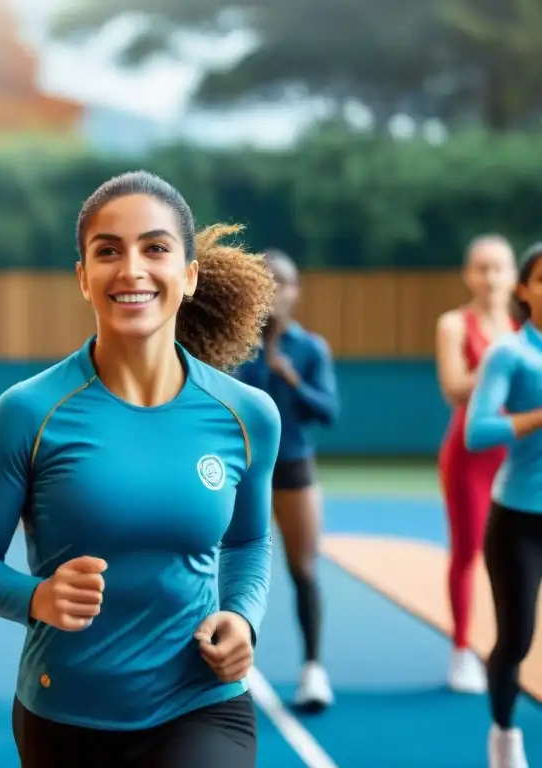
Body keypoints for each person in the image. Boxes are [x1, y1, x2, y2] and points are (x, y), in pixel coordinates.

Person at [0, 171, 280, 768]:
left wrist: (241, 617)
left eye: (155, 248)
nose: (131, 270)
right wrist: (39, 597)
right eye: (108, 251)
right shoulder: (26, 413)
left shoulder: (247, 415)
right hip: (66, 716)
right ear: (83, 277)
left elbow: (249, 540)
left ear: (190, 273)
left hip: (201, 704)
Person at [233, 249, 339, 712]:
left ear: (297, 291)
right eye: (268, 280)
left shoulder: (310, 348)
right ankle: (222, 663)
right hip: (243, 470)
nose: (277, 290)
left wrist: (292, 380)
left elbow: (328, 412)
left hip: (294, 469)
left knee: (304, 570)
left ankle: (313, 669)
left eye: (286, 281)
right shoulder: (234, 345)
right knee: (231, 570)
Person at [465, 242, 542, 768]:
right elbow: (477, 430)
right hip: (520, 519)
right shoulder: (510, 354)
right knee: (515, 641)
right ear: (525, 289)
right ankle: (503, 738)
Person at [435, 234, 518, 694]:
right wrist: (501, 360)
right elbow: (453, 386)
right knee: (468, 552)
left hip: (518, 455)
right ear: (468, 274)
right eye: (481, 268)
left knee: (516, 556)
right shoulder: (454, 324)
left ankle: (510, 646)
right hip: (469, 455)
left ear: (513, 278)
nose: (489, 277)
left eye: (498, 268)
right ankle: (461, 651)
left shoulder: (524, 331)